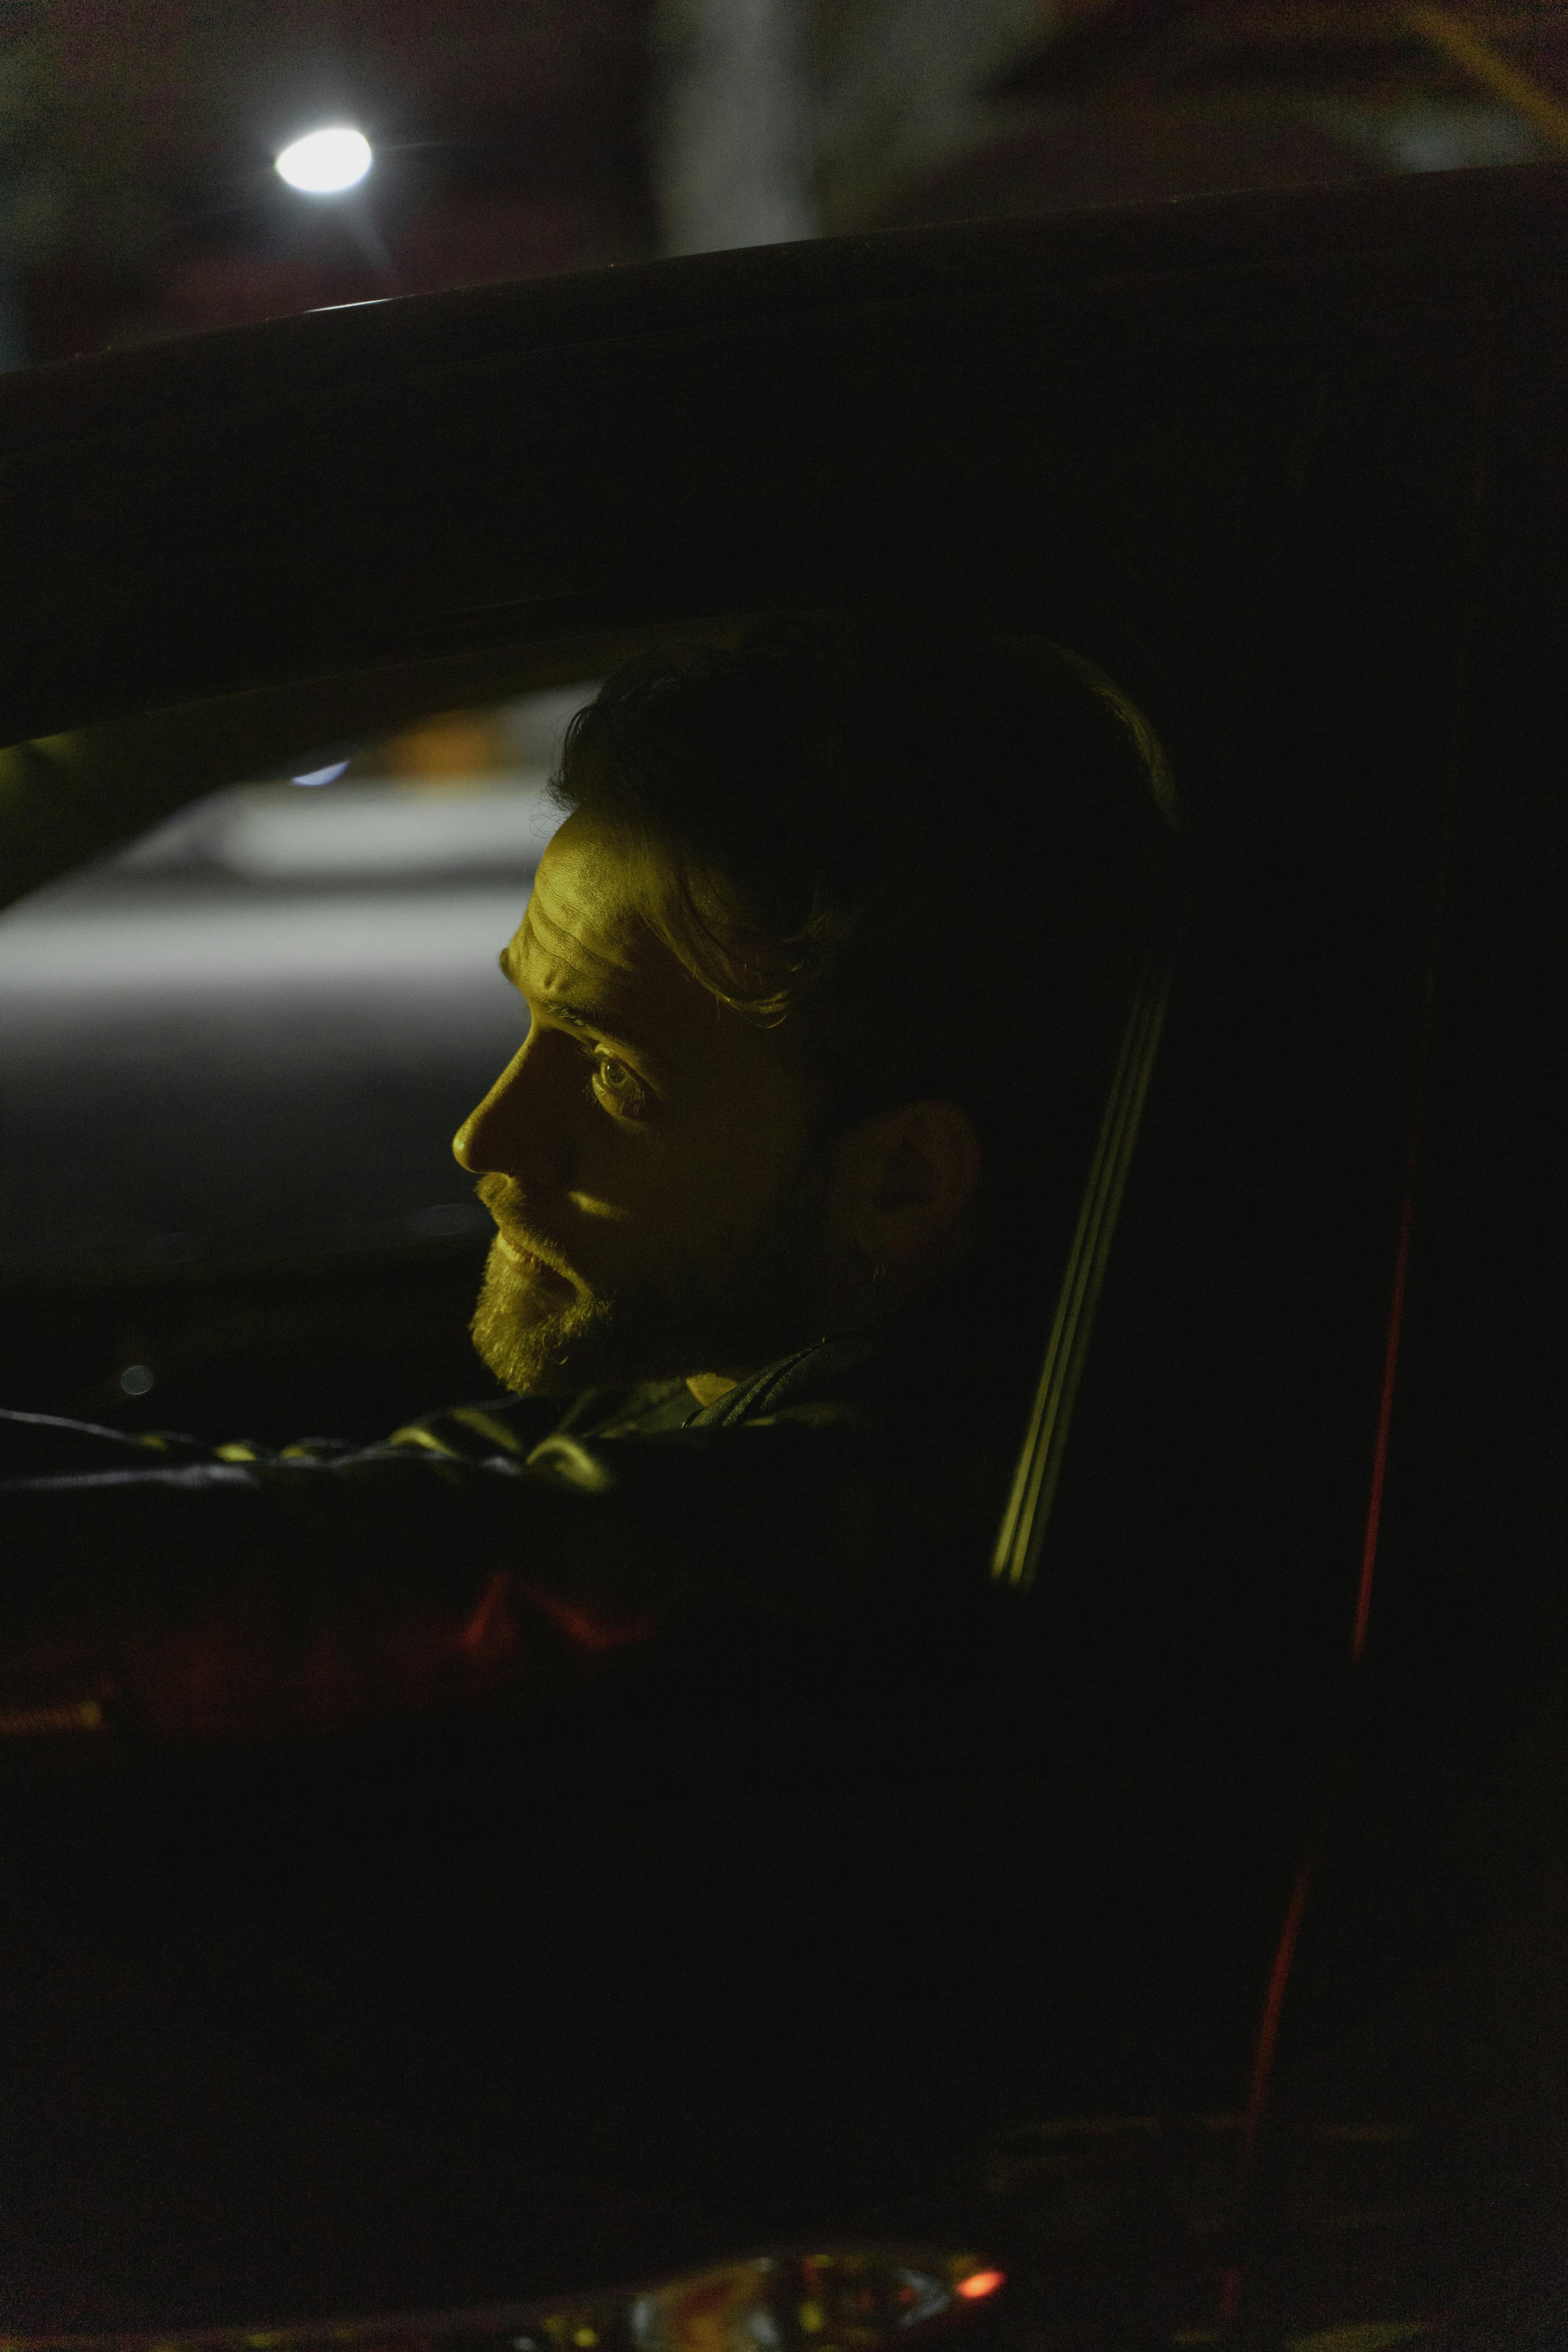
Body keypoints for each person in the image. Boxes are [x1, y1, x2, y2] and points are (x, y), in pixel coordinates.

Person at [0, 617, 1174, 1746]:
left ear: (906, 1179)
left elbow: (354, 1572)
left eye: (614, 1071)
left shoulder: (889, 1516)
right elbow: (333, 1494)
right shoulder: (718, 1372)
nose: (486, 1138)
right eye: (529, 1018)